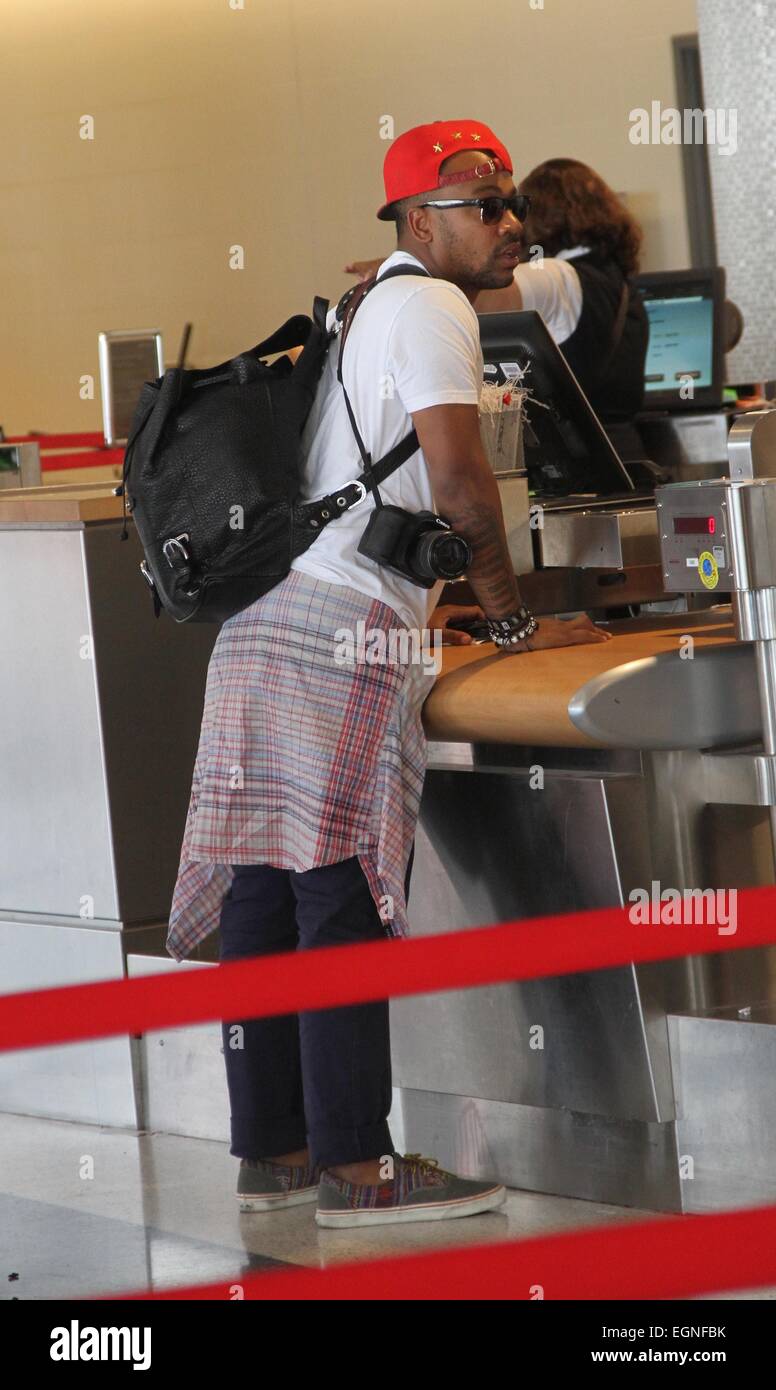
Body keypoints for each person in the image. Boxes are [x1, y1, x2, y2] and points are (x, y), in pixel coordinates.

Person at [166, 120, 612, 1230]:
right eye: (483, 205)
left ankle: (273, 1147)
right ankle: (357, 1167)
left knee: (270, 889)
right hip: (338, 631)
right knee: (339, 895)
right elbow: (461, 484)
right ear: (419, 220)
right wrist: (507, 621)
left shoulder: (368, 303)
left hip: (265, 619)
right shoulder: (432, 307)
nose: (509, 224)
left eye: (511, 203)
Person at [347, 156, 649, 454]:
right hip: (629, 452)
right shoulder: (618, 285)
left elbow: (485, 293)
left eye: (516, 208)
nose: (512, 222)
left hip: (587, 465)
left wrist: (405, 271)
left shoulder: (561, 277)